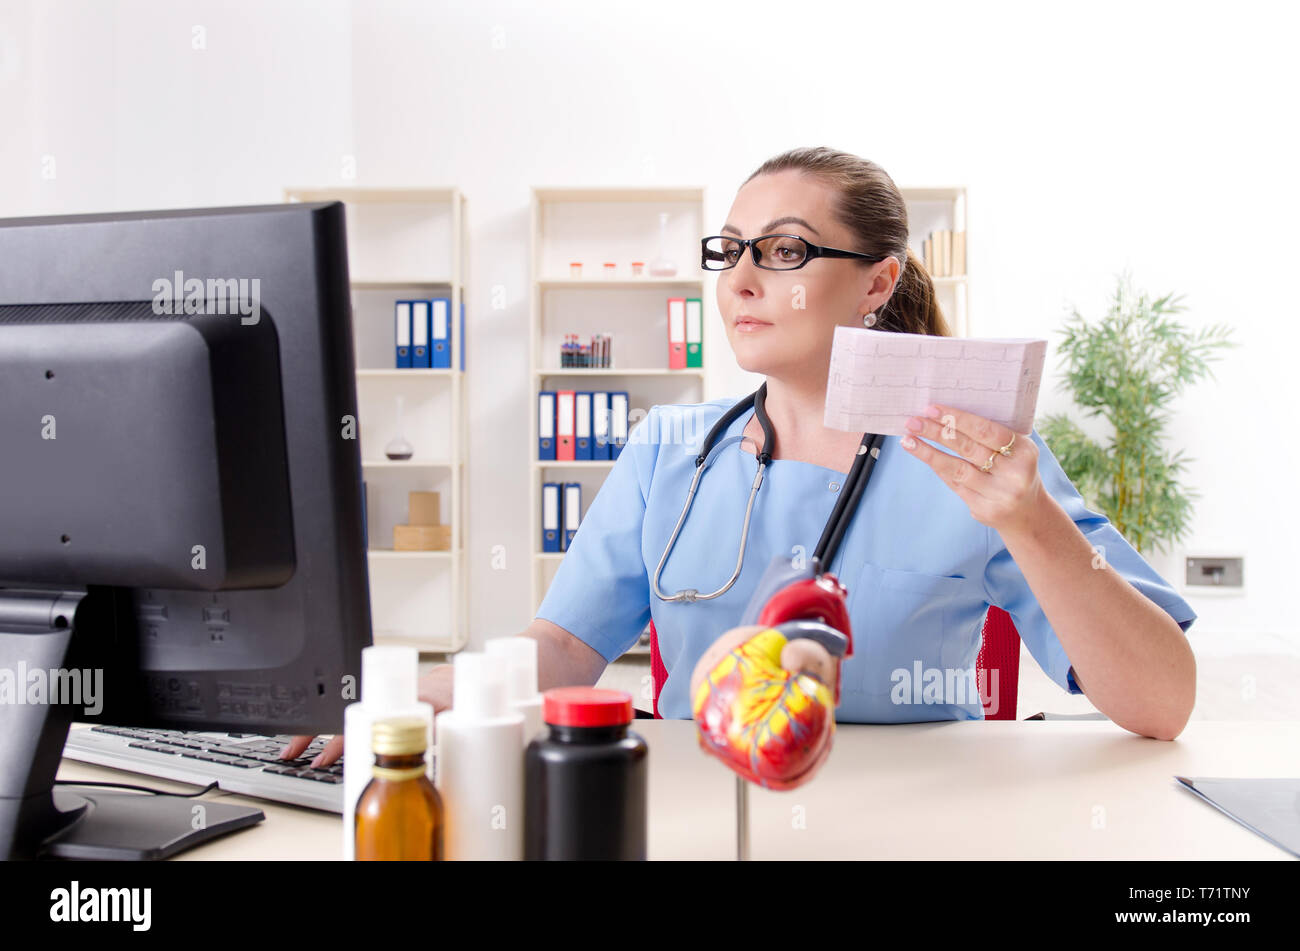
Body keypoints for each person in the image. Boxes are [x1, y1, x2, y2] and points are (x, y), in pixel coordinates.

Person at [285, 145, 1197, 769]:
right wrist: (409, 694)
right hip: (704, 811)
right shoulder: (667, 451)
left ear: (878, 281)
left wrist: (1032, 524)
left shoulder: (982, 462)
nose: (741, 280)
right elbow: (564, 647)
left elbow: (1163, 703)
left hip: (914, 821)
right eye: (729, 251)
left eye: (784, 250)